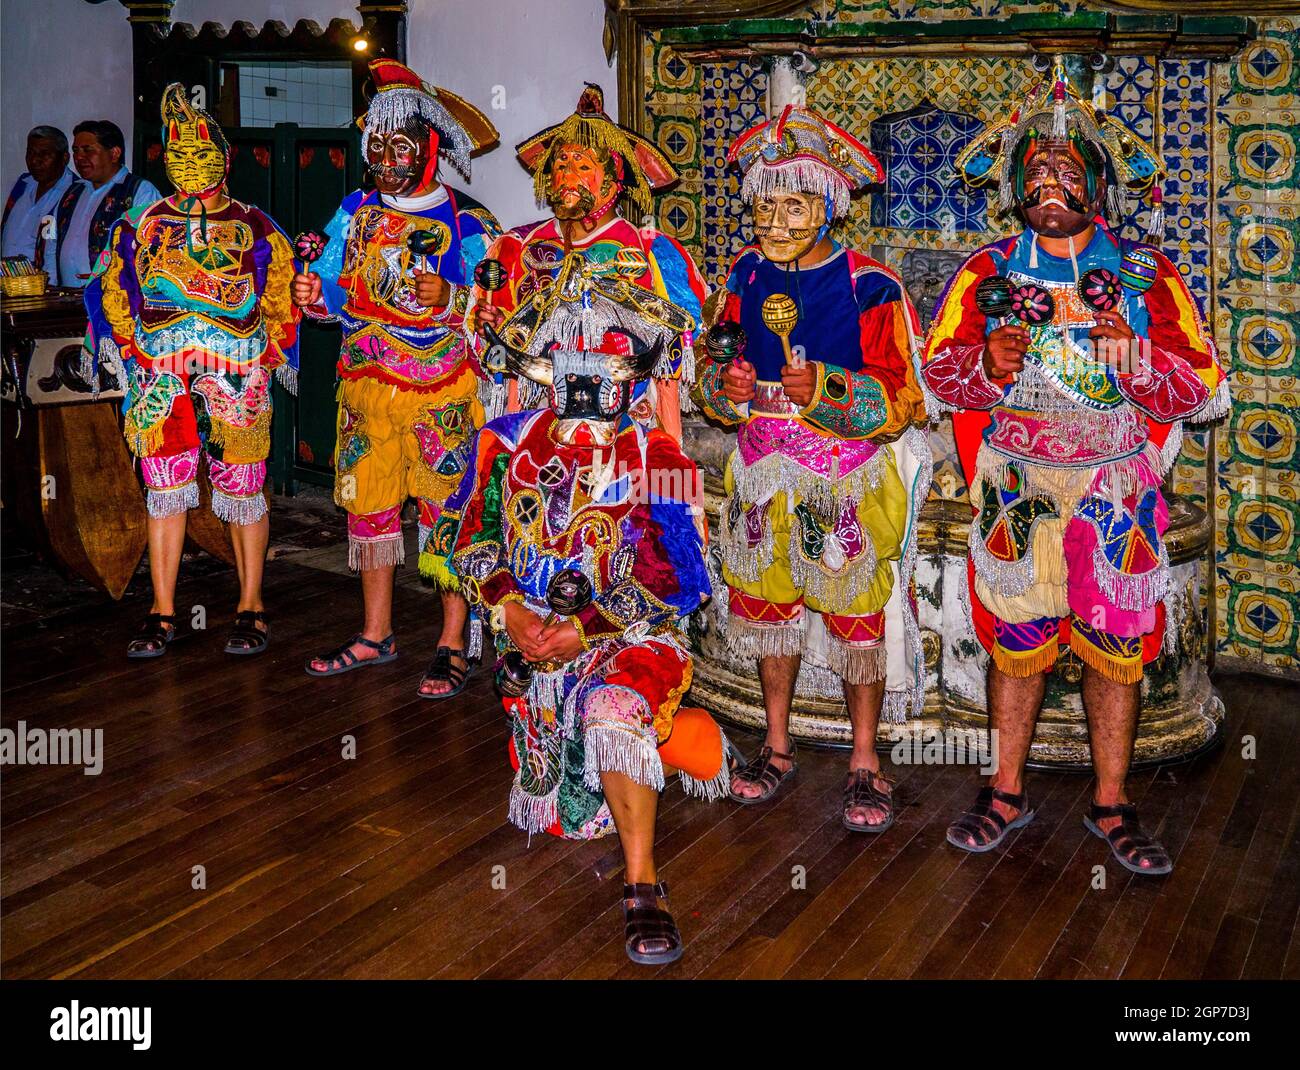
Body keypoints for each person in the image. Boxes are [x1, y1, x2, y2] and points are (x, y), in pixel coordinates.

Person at [922, 58, 1229, 874]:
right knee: (1016, 640)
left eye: (1067, 168)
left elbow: (1203, 384)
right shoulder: (986, 273)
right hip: (1016, 484)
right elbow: (936, 376)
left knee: (1113, 642)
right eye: (1036, 169)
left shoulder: (1144, 276)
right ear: (1016, 188)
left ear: (1098, 186)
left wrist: (1133, 359)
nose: (1050, 179)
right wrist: (986, 361)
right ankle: (1006, 792)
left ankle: (1112, 803)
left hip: (1113, 486)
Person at [448, 255, 731, 965]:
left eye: (602, 367)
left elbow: (684, 575)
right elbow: (471, 537)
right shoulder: (504, 439)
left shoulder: (659, 450)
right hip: (532, 635)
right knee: (565, 815)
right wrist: (510, 611)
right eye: (569, 361)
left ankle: (642, 885)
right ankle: (680, 744)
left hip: (627, 634)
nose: (584, 381)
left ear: (629, 376)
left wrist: (586, 628)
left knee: (610, 713)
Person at [693, 104, 929, 832]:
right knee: (768, 613)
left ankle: (864, 760)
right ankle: (776, 743)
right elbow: (711, 361)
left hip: (843, 474)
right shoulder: (743, 271)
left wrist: (826, 389)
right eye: (765, 202)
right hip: (762, 466)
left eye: (792, 203)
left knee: (858, 615)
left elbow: (905, 398)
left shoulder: (871, 285)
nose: (774, 218)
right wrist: (722, 388)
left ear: (828, 204)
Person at [292, 59, 500, 699]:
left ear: (431, 148)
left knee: (445, 512)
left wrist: (452, 296)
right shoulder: (352, 211)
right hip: (365, 388)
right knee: (371, 508)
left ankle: (451, 642)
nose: (385, 159)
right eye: (376, 146)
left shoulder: (469, 222)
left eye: (400, 146)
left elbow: (501, 316)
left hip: (442, 391)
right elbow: (332, 286)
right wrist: (314, 293)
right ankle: (376, 632)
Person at [85, 84, 300, 658]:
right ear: (164, 159)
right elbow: (114, 292)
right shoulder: (141, 223)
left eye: (204, 153)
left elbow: (280, 297)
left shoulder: (256, 225)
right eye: (179, 154)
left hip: (237, 371)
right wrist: (134, 354)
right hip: (159, 374)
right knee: (164, 491)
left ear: (226, 160)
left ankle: (251, 603)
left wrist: (269, 353)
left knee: (244, 491)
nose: (191, 164)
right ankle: (161, 610)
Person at [472, 83, 704, 442]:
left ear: (614, 180)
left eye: (582, 165)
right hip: (538, 421)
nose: (566, 176)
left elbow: (683, 347)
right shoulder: (517, 247)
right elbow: (490, 342)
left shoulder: (653, 251)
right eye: (560, 164)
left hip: (625, 421)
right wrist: (498, 328)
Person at [55, 119, 161, 287]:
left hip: (113, 300)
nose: (78, 157)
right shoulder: (73, 193)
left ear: (114, 153)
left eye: (87, 150)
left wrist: (104, 277)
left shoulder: (139, 190)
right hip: (67, 298)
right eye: (75, 150)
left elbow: (150, 251)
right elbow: (52, 242)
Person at [1, 126, 74, 264]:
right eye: (30, 153)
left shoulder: (74, 192)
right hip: (9, 281)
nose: (34, 160)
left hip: (47, 283)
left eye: (44, 154)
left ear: (64, 158)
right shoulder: (23, 184)